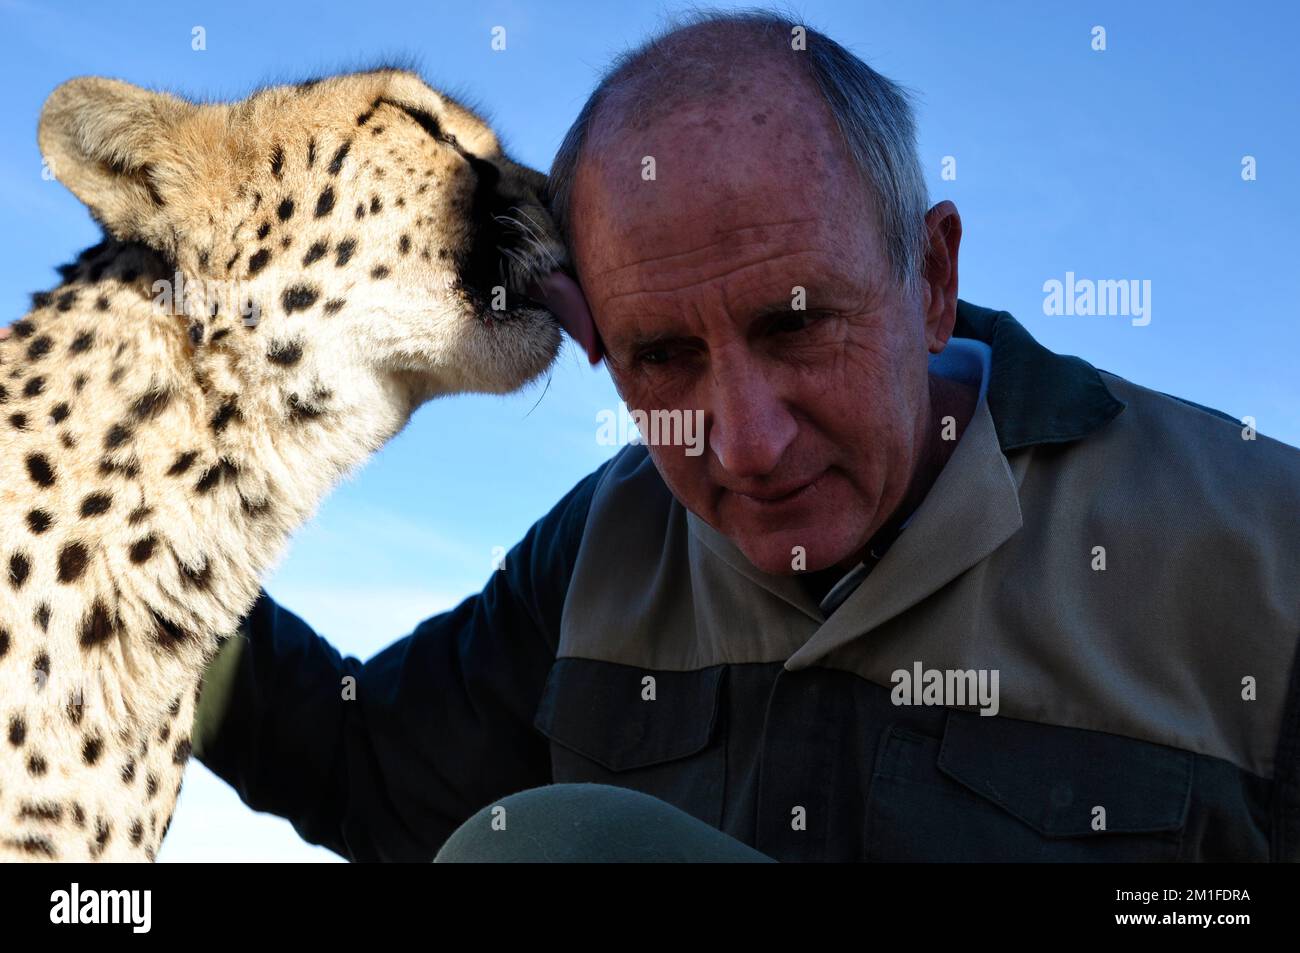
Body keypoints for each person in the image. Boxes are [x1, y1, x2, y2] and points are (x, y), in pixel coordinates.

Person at [186, 10, 1300, 862]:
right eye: (660, 355)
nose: (748, 445)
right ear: (593, 342)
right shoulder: (598, 549)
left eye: (797, 325)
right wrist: (120, 554)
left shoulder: (1264, 548)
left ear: (933, 281)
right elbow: (368, 767)